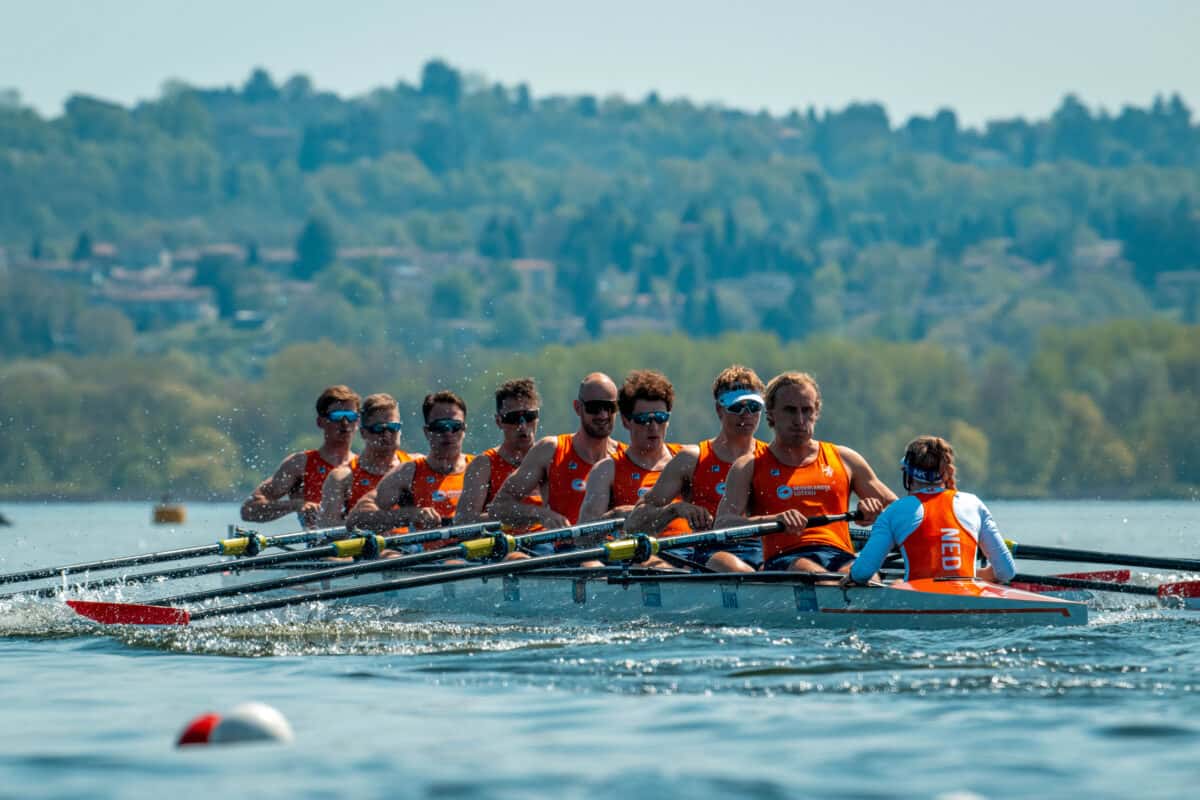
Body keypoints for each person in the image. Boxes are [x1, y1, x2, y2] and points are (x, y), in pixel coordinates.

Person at [714, 371, 896, 575]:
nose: (799, 420)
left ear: (816, 412)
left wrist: (873, 511)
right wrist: (774, 520)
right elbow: (723, 523)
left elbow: (901, 511)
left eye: (806, 410)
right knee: (808, 572)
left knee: (863, 574)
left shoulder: (845, 459)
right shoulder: (749, 465)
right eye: (790, 411)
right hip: (785, 560)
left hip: (840, 556)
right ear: (771, 414)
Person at [626, 364, 769, 571]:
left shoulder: (771, 457)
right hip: (712, 554)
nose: (746, 414)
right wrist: (676, 509)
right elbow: (634, 525)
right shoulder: (692, 459)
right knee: (726, 564)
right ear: (719, 410)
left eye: (754, 407)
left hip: (763, 551)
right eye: (737, 407)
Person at [846, 435, 1015, 585]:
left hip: (918, 604)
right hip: (968, 596)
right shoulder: (973, 503)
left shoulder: (895, 511)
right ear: (946, 472)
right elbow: (1006, 572)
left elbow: (862, 573)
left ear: (908, 474)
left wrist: (848, 578)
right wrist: (981, 574)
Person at [490, 372, 624, 550]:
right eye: (594, 407)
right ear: (578, 408)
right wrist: (541, 514)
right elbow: (499, 508)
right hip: (566, 553)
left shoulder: (625, 456)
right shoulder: (551, 450)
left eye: (609, 407)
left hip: (615, 554)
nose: (603, 415)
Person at [577, 370, 689, 567]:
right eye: (644, 419)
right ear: (626, 421)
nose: (653, 427)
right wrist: (614, 517)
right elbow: (583, 539)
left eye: (660, 418)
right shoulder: (607, 469)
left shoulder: (685, 459)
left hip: (689, 551)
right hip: (636, 555)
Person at [347, 391, 473, 551]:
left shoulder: (479, 468)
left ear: (464, 429)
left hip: (480, 557)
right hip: (432, 562)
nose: (448, 433)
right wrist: (411, 515)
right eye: (440, 427)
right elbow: (356, 521)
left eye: (455, 427)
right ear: (427, 432)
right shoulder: (408, 473)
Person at [240, 385, 360, 527]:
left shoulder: (365, 465)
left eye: (351, 416)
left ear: (358, 422)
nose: (345, 423)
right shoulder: (301, 464)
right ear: (320, 422)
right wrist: (295, 505)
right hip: (321, 547)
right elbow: (249, 510)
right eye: (337, 416)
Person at [454, 378, 544, 526]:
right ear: (499, 421)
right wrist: (529, 515)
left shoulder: (550, 456)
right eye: (513, 418)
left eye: (529, 417)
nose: (522, 426)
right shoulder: (484, 465)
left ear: (537, 417)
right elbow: (463, 523)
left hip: (551, 543)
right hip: (505, 545)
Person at [317, 393, 414, 528]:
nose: (387, 434)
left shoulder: (415, 465)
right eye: (379, 429)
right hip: (368, 547)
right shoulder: (342, 477)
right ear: (364, 433)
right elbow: (327, 529)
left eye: (393, 428)